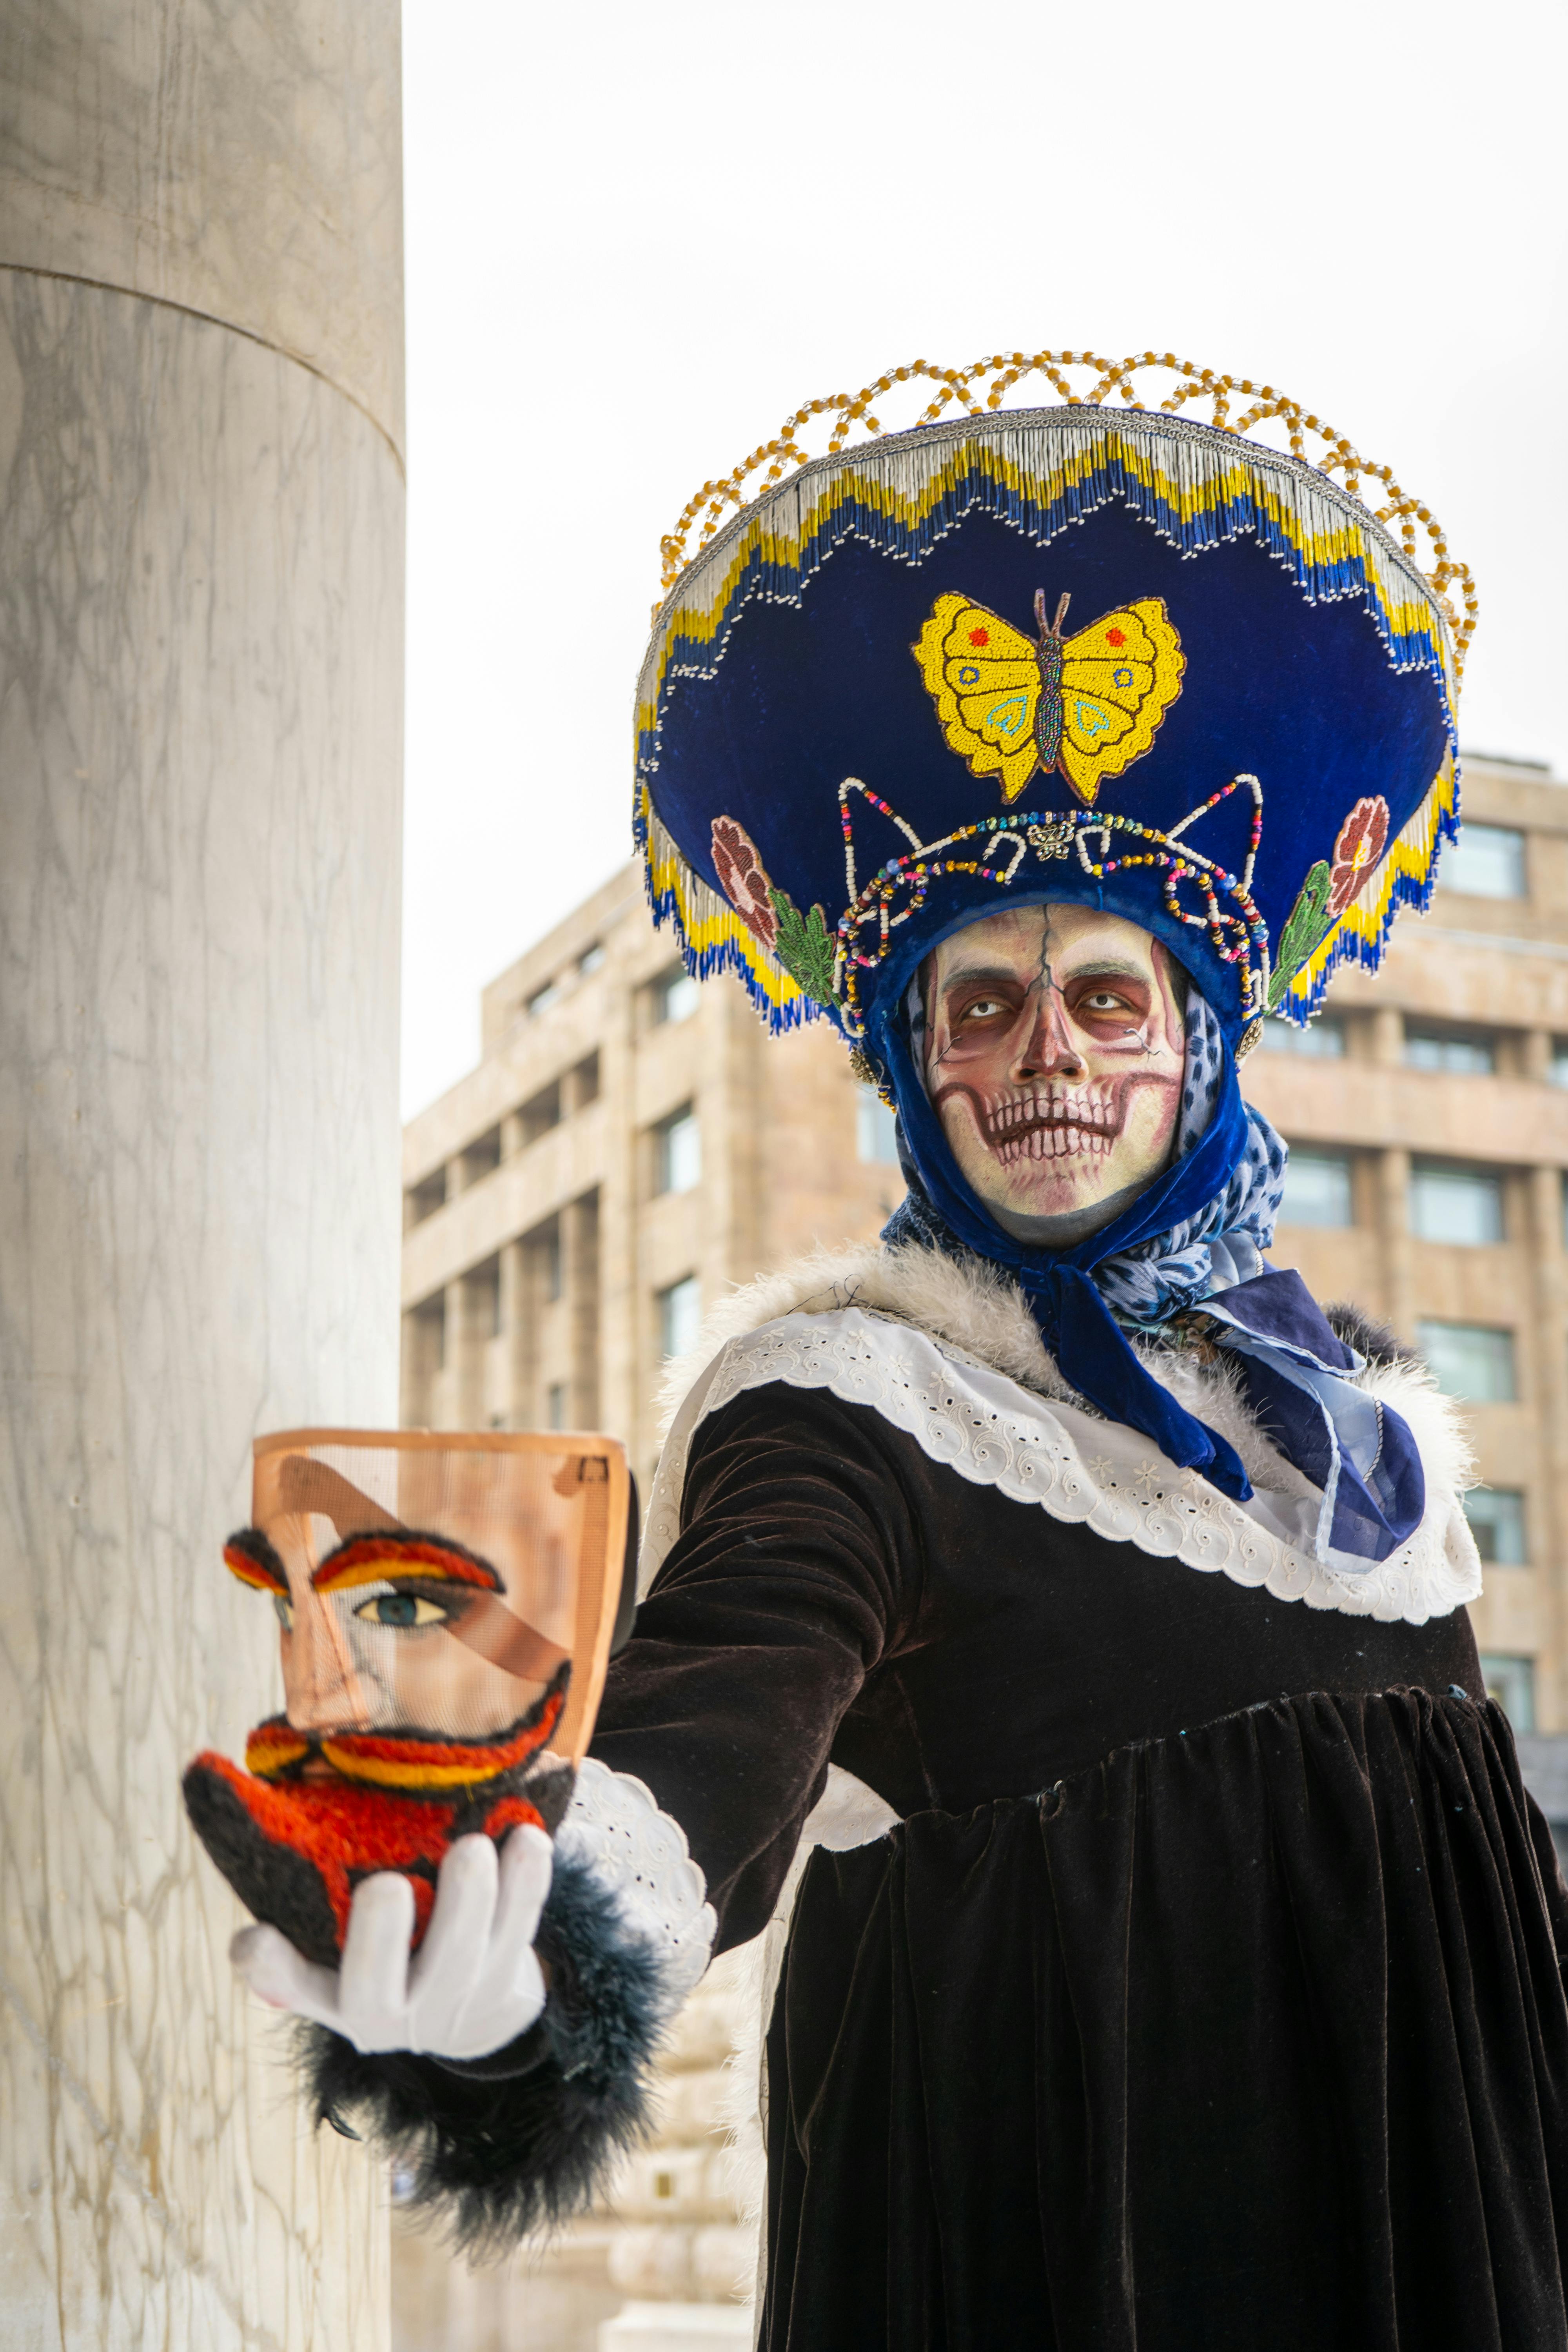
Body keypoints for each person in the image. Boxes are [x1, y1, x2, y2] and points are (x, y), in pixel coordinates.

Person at [235, 358, 1568, 2348]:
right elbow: (707, 1736)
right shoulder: (851, 1411)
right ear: (905, 1063)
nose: (1047, 1057)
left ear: (1199, 1044)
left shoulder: (1367, 1446)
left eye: (1108, 998)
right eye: (981, 1005)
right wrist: (533, 1965)